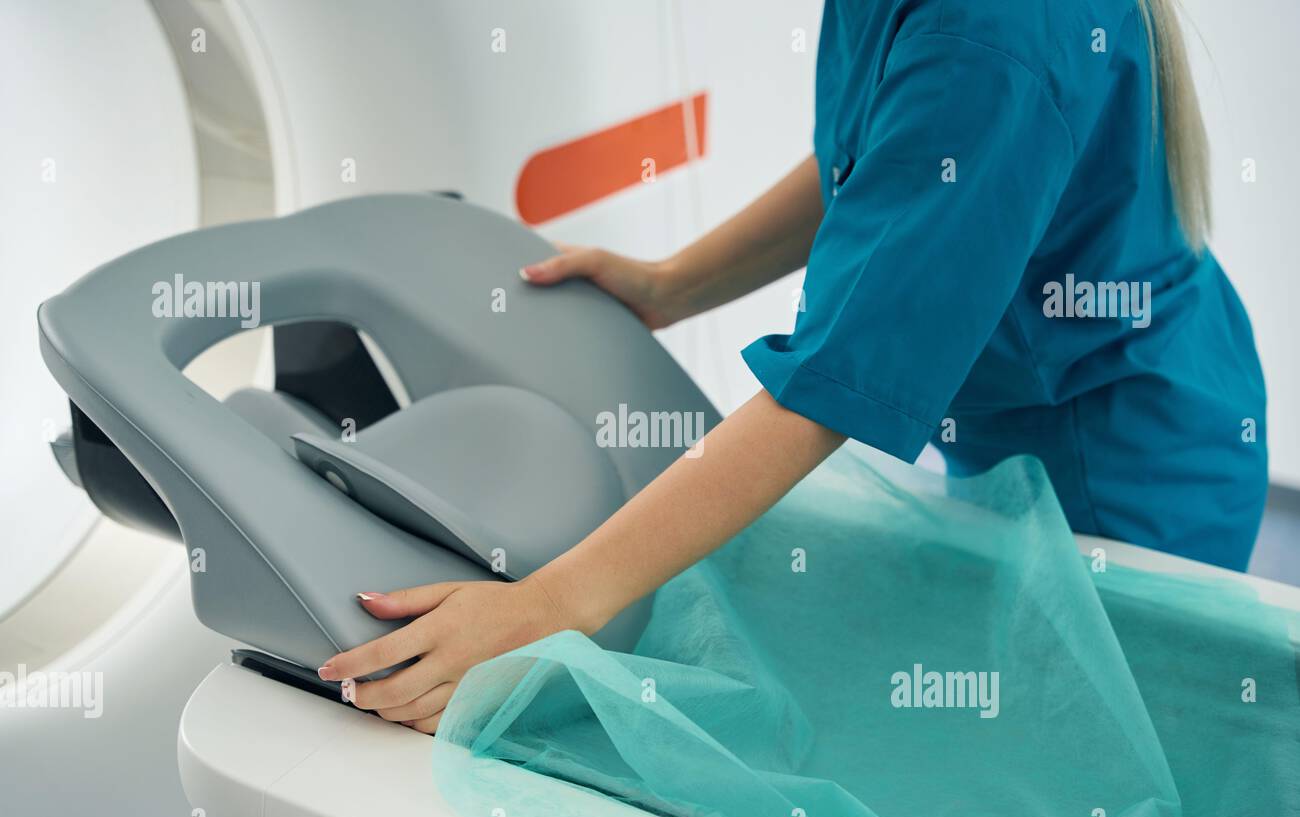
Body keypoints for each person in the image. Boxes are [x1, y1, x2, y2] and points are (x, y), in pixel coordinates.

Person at [319, 0, 1267, 732]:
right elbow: (887, 161)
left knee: (1104, 760)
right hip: (1034, 408)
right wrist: (673, 286)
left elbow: (828, 388)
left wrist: (551, 604)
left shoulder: (995, 38)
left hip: (1123, 454)